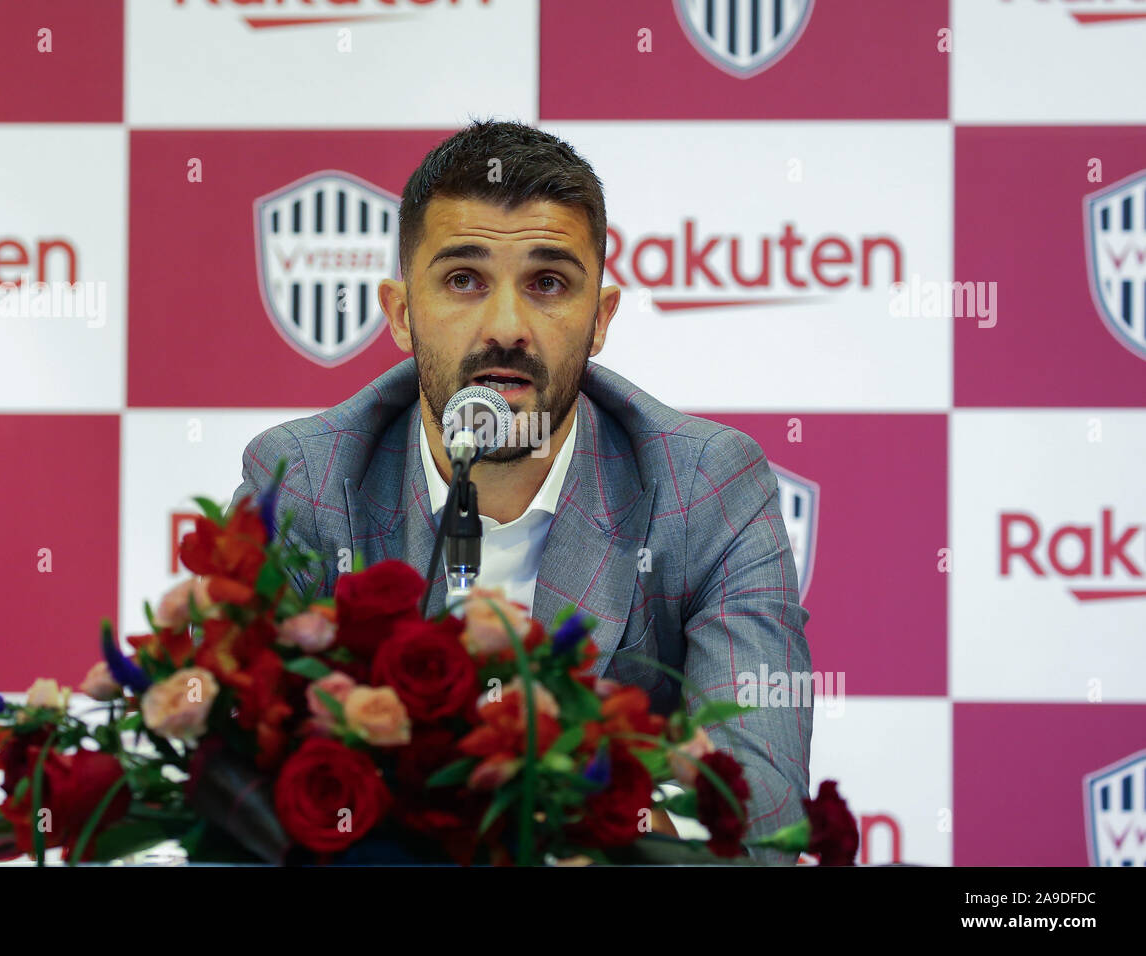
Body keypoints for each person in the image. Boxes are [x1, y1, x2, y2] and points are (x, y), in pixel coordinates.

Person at [230, 119, 812, 863]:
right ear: (403, 314)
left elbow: (757, 805)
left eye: (547, 283)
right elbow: (234, 781)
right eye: (464, 280)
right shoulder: (304, 482)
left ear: (599, 320)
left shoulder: (706, 487)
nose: (506, 327)